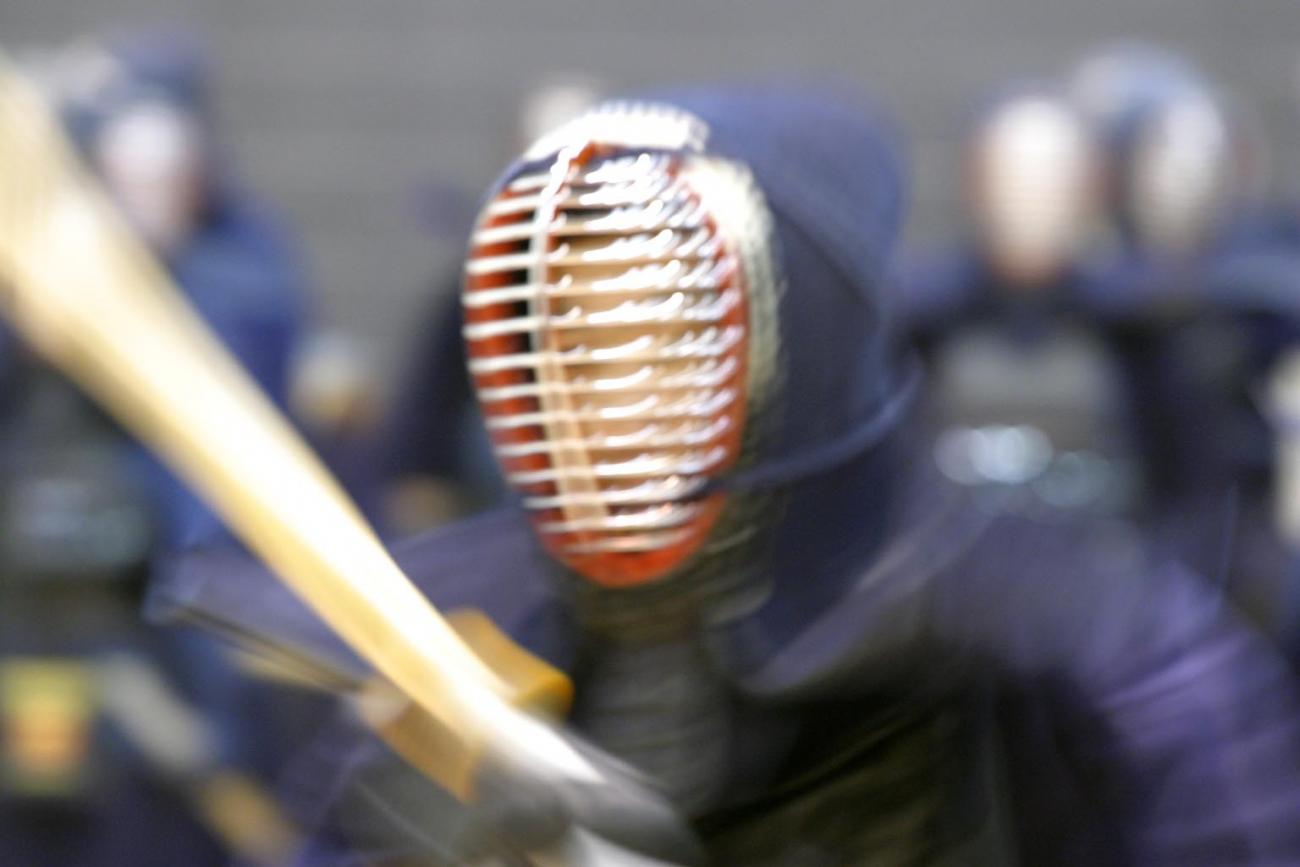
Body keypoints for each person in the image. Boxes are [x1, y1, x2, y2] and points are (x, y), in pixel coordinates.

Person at [156, 86, 1300, 865]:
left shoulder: (1089, 655)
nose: (595, 411)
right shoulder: (453, 651)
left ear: (787, 350)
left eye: (655, 351)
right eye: (567, 352)